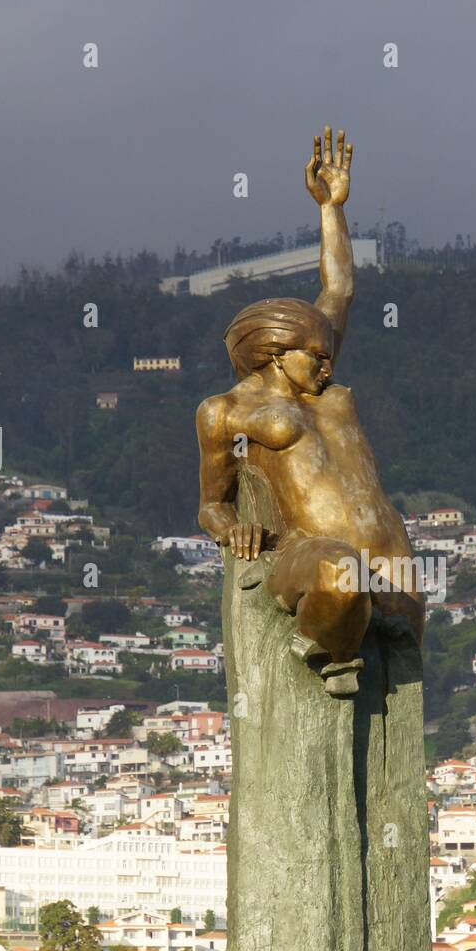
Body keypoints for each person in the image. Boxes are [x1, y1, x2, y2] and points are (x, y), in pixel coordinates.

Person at [197, 127, 423, 694]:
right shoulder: (224, 411)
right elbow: (211, 503)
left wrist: (332, 209)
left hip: (389, 548)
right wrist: (233, 528)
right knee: (340, 574)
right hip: (308, 552)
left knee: (399, 697)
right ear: (276, 351)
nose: (327, 367)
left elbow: (340, 289)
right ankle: (323, 644)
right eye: (315, 357)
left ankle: (359, 639)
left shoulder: (320, 389)